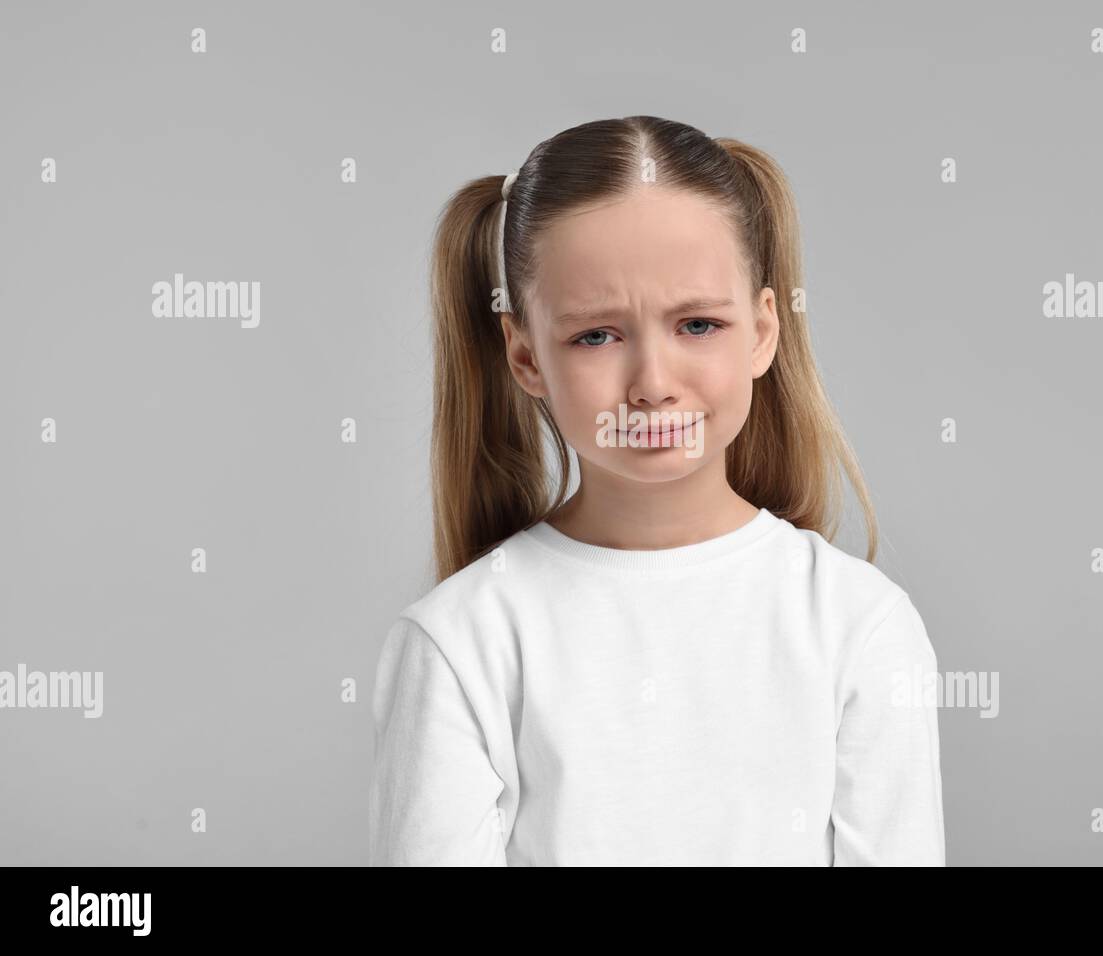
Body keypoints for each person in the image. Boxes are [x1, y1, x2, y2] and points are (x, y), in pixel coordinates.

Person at [368, 115, 944, 865]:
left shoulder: (858, 627)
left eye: (698, 324)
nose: (652, 385)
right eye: (596, 336)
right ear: (525, 355)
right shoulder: (459, 644)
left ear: (763, 333)